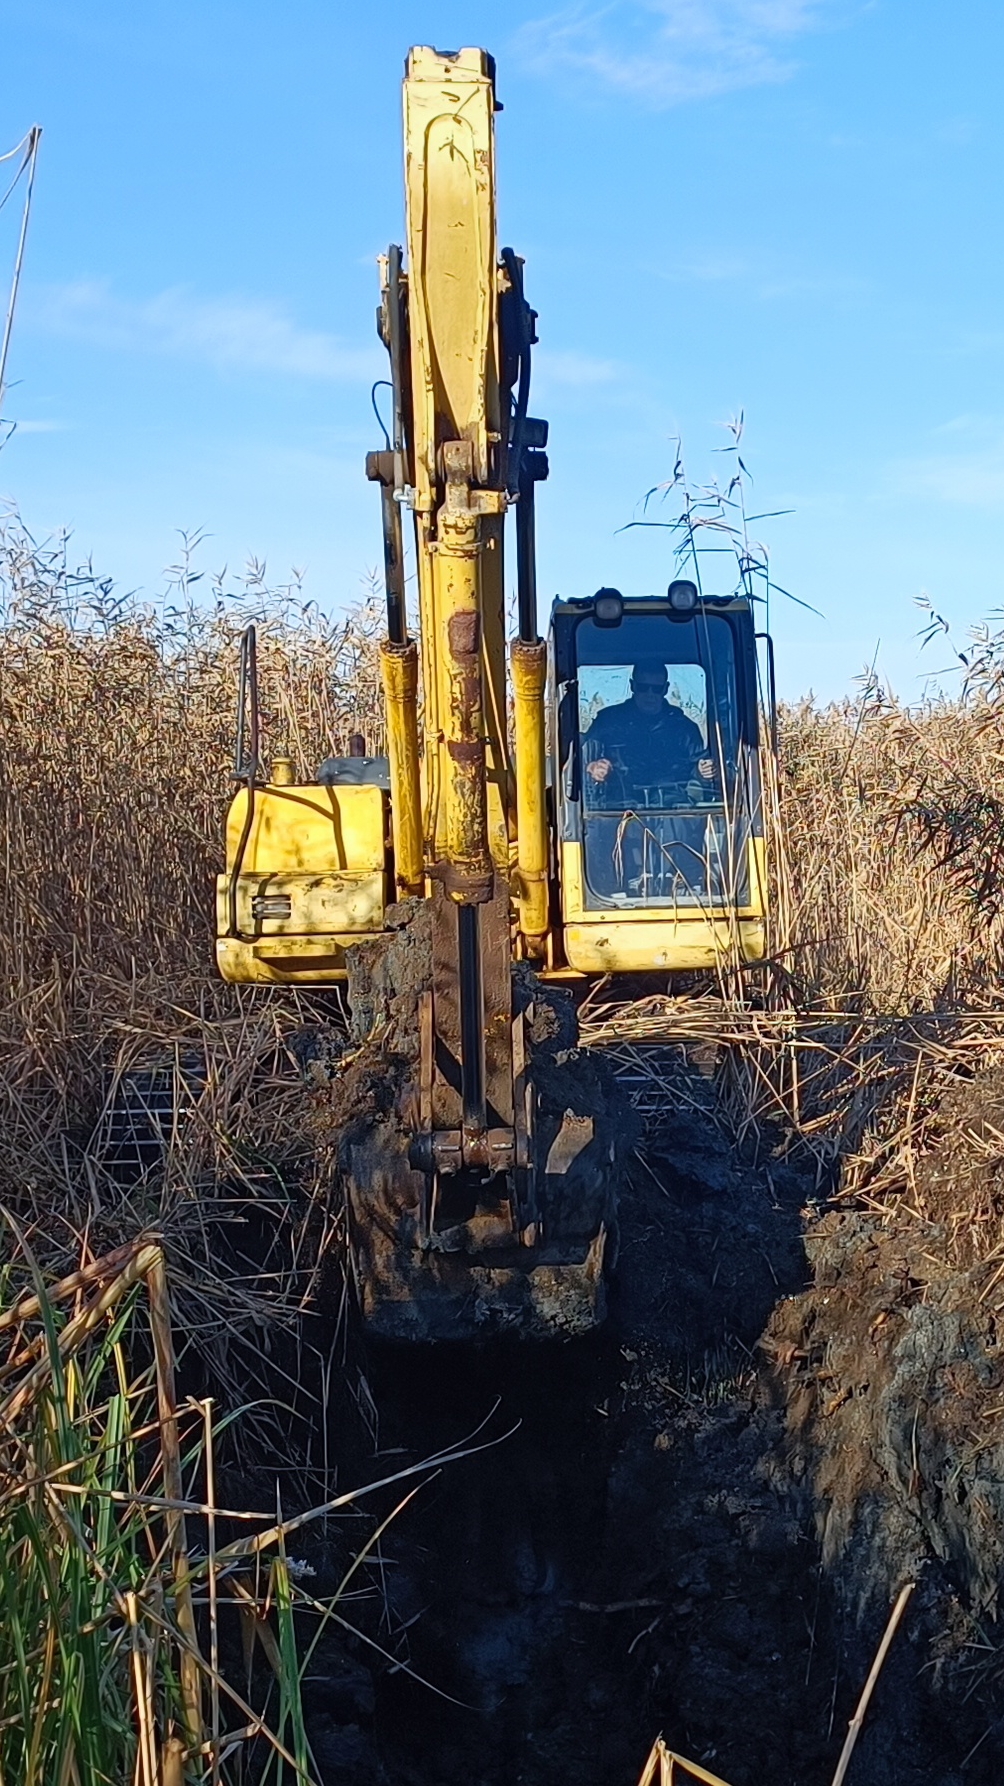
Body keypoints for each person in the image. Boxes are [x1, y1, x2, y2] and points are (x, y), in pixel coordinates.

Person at [583, 660, 715, 802]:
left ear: (666, 689)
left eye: (657, 689)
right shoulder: (608, 721)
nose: (650, 694)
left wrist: (704, 771)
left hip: (673, 807)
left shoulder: (684, 727)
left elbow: (698, 766)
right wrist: (593, 768)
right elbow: (581, 761)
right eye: (643, 687)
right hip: (616, 806)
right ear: (633, 686)